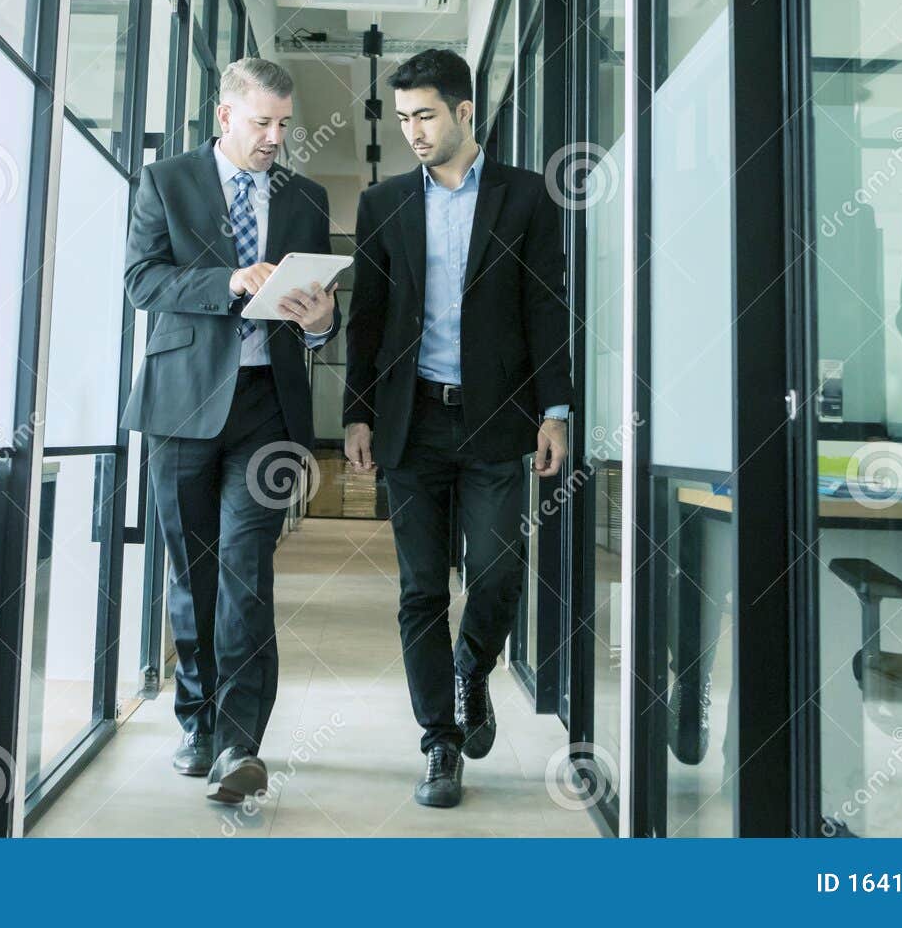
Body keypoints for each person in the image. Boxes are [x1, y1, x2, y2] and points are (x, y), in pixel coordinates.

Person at [344, 48, 571, 807]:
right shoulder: (382, 205)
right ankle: (440, 742)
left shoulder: (527, 196)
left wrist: (556, 410)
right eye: (404, 117)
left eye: (426, 115)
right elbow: (367, 322)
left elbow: (547, 308)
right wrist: (358, 413)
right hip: (412, 422)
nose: (413, 130)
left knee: (500, 568)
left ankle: (474, 664)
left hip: (498, 421)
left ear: (465, 111)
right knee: (419, 590)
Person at [121, 58, 337, 805]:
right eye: (261, 122)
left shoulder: (306, 198)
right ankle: (199, 721)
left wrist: (320, 326)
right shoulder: (168, 181)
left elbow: (319, 307)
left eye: (284, 124)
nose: (275, 137)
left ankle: (241, 744)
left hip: (267, 408)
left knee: (247, 573)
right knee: (194, 571)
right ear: (225, 115)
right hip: (181, 403)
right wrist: (229, 282)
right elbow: (142, 279)